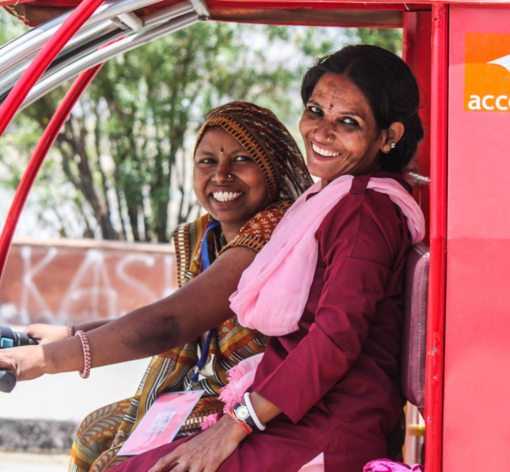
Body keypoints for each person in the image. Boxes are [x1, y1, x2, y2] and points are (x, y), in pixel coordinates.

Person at [102, 44, 426, 472]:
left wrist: (233, 426)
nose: (322, 132)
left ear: (390, 136)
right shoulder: (332, 196)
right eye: (315, 111)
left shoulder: (364, 211)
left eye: (348, 122)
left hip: (326, 428)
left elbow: (334, 339)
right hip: (297, 413)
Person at [0, 102, 312, 469]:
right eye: (207, 161)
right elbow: (177, 313)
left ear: (271, 169)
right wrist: (70, 333)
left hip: (258, 402)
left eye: (241, 160)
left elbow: (170, 324)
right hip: (209, 391)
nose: (221, 175)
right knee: (94, 432)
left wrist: (43, 360)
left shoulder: (274, 230)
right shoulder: (209, 235)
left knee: (117, 462)